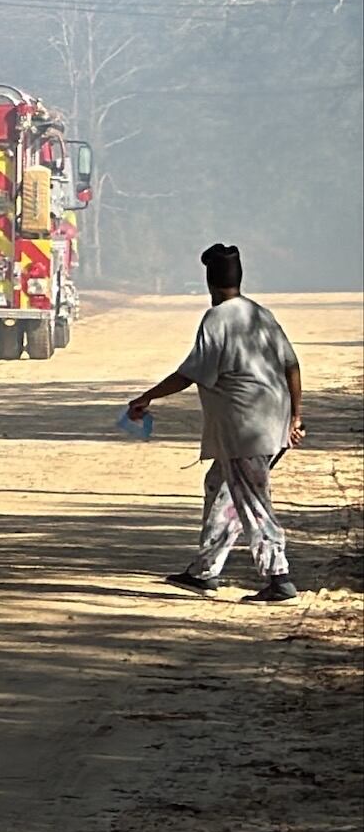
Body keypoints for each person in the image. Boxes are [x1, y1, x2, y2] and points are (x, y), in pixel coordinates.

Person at [127, 243, 304, 603]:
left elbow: (190, 373)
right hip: (272, 423)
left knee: (252, 501)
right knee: (221, 488)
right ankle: (204, 571)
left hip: (244, 430)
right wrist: (296, 416)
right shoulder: (261, 314)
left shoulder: (217, 319)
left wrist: (147, 397)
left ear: (210, 282)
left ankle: (279, 576)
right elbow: (292, 365)